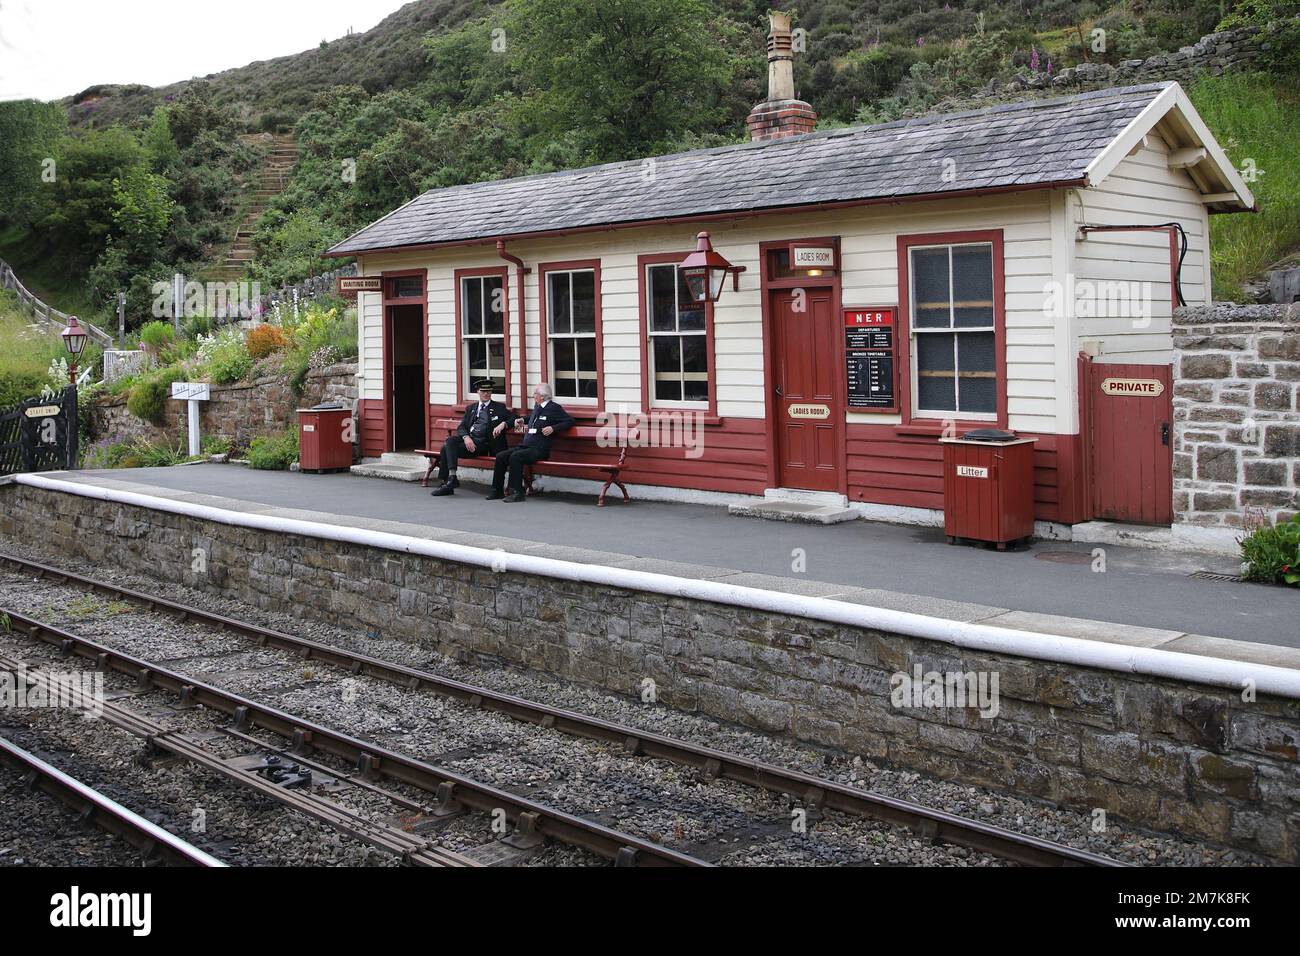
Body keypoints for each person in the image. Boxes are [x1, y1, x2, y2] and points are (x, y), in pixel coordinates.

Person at [429, 379, 515, 496]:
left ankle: (447, 483)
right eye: (483, 391)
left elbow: (514, 418)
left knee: (446, 448)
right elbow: (462, 427)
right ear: (477, 392)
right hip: (470, 442)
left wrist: (504, 424)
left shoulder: (499, 407)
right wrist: (466, 438)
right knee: (449, 442)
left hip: (484, 445)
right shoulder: (471, 408)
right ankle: (451, 478)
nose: (486, 394)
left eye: (488, 391)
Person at [490, 382, 574, 502]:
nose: (533, 395)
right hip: (526, 446)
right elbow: (530, 419)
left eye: (535, 393)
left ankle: (517, 492)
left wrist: (553, 428)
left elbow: (569, 421)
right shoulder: (537, 408)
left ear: (543, 396)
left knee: (516, 457)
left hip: (539, 449)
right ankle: (497, 490)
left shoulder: (554, 408)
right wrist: (513, 422)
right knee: (501, 456)